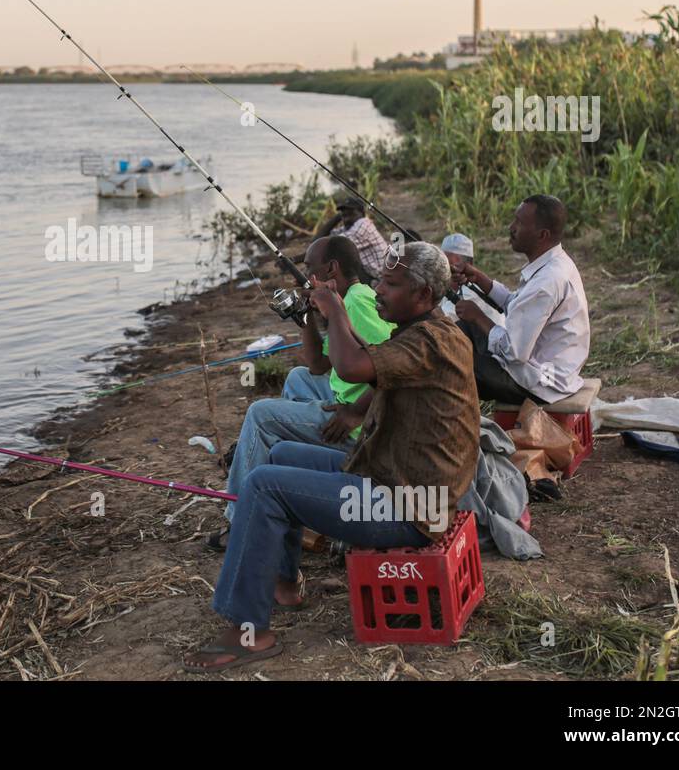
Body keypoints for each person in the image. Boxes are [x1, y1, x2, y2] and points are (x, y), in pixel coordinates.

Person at [183, 242, 479, 673]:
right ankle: (284, 584)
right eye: (380, 279)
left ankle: (249, 630)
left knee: (265, 486)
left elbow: (350, 368)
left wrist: (335, 309)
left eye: (391, 285)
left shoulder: (432, 342)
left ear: (425, 295)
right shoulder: (424, 333)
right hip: (394, 483)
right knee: (280, 456)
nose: (378, 290)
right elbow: (359, 367)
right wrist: (318, 316)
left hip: (407, 506)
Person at [210, 236, 394, 547]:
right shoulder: (344, 301)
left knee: (259, 414)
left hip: (365, 419)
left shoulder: (357, 302)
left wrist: (354, 413)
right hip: (348, 395)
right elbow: (318, 365)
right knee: (297, 378)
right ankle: (290, 466)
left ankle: (240, 521)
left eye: (311, 268)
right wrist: (306, 315)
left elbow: (394, 366)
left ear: (332, 268)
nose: (307, 276)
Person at [451, 195, 590, 405]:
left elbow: (515, 352)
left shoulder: (547, 281)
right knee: (459, 334)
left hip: (540, 383)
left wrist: (478, 316)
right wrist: (480, 279)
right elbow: (516, 305)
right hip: (546, 369)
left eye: (519, 223)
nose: (511, 227)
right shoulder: (553, 263)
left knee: (450, 362)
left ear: (542, 235)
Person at [315, 196, 392, 281]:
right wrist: (337, 217)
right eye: (344, 215)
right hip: (372, 275)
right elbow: (318, 241)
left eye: (351, 214)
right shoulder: (349, 227)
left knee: (337, 263)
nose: (347, 219)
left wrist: (297, 259)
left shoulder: (362, 225)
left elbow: (321, 246)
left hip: (382, 279)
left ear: (362, 213)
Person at [438, 233, 504, 328]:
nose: (449, 271)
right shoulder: (448, 287)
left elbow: (438, 317)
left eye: (453, 266)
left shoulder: (473, 291)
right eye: (444, 266)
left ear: (470, 264)